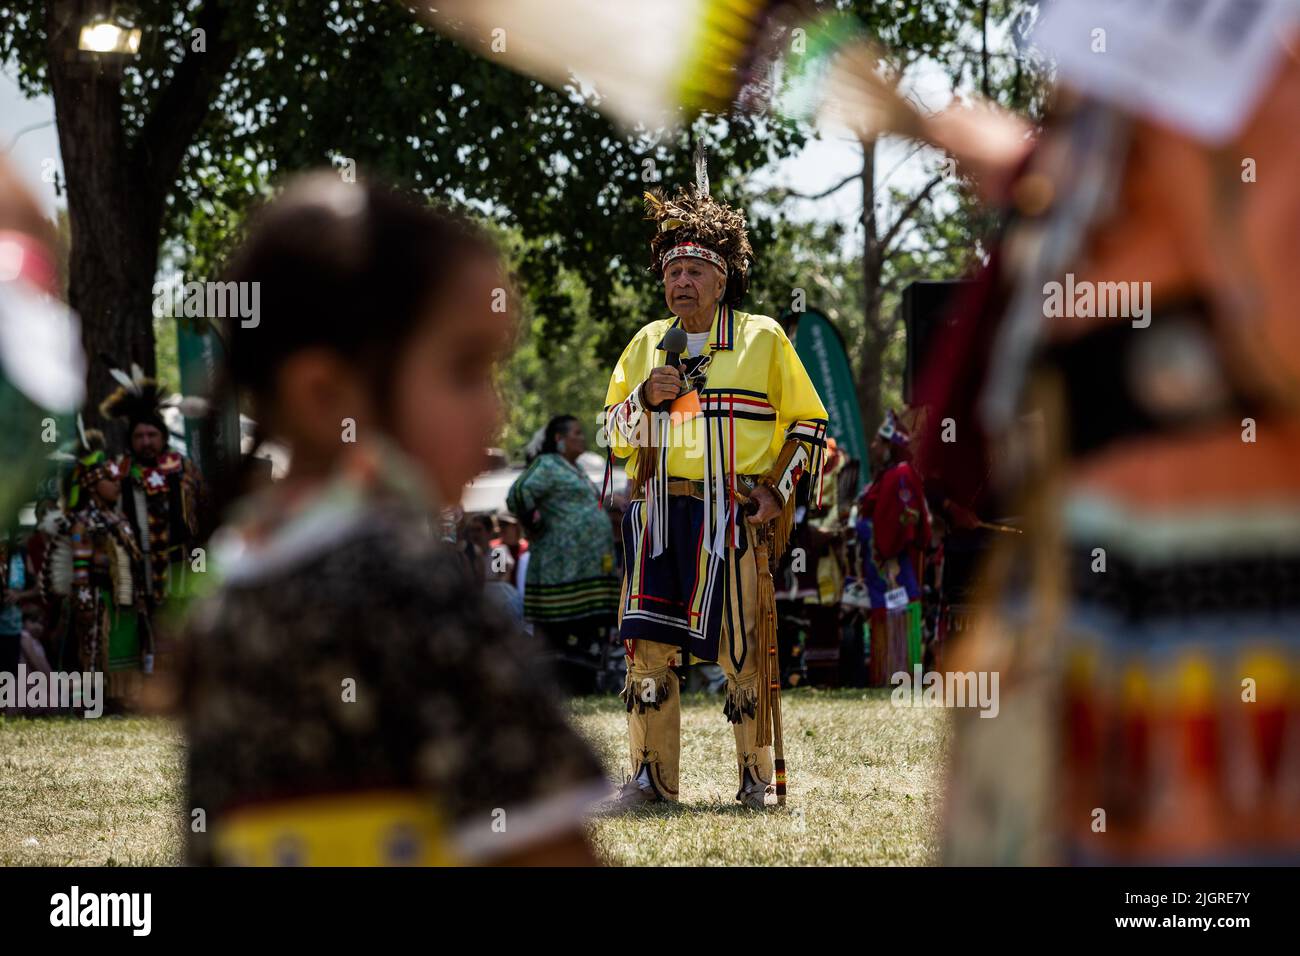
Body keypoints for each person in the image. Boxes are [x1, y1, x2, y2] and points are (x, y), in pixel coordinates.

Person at [180, 173, 607, 866]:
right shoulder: (412, 590)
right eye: (467, 370)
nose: (495, 412)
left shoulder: (229, 589)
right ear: (326, 395)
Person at [601, 183, 828, 809]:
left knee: (743, 647)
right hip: (661, 516)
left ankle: (754, 779)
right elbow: (614, 436)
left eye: (695, 271)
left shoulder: (762, 339)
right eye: (673, 272)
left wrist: (776, 496)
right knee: (647, 649)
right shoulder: (649, 344)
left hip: (730, 514)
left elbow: (809, 424)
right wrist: (645, 398)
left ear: (721, 281)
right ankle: (650, 778)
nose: (681, 282)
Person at [507, 415, 619, 692]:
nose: (582, 438)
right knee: (564, 633)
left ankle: (586, 683)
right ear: (559, 439)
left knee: (587, 630)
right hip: (561, 571)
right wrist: (535, 525)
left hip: (586, 571)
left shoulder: (573, 468)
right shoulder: (547, 464)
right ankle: (563, 687)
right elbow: (519, 493)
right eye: (577, 433)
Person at [40, 428, 147, 709]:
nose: (115, 484)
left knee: (121, 648)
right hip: (96, 598)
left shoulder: (120, 518)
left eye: (116, 479)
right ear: (91, 484)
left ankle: (119, 698)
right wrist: (84, 599)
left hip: (122, 599)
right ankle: (88, 703)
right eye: (109, 479)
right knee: (92, 649)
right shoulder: (82, 522)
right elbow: (80, 565)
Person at [99, 369, 208, 621]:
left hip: (181, 564)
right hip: (134, 572)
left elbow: (205, 511)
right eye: (139, 436)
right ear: (130, 440)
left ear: (163, 437)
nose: (146, 442)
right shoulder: (118, 471)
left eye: (152, 435)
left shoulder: (184, 468)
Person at [858, 411, 931, 685]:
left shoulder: (900, 475)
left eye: (878, 442)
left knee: (899, 609)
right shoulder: (888, 474)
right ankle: (891, 672)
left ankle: (901, 673)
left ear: (890, 446)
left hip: (895, 561)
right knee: (889, 612)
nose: (874, 447)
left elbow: (904, 519)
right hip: (884, 561)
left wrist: (885, 548)